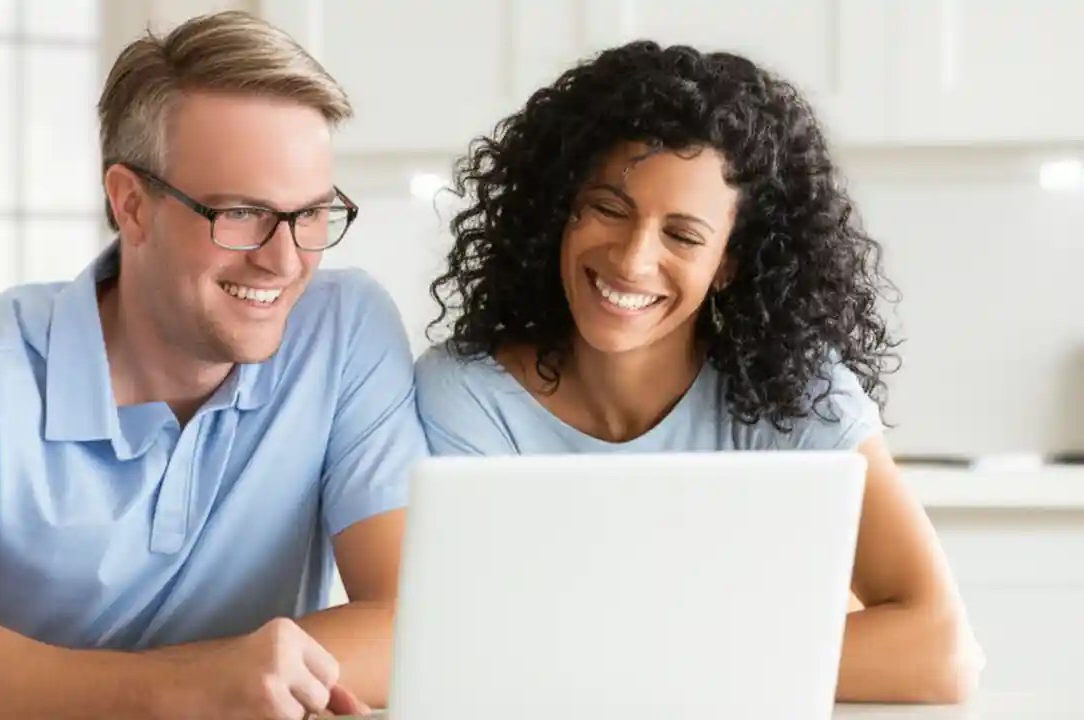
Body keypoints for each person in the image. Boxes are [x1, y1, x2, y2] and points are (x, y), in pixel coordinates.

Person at [0, 11, 424, 720]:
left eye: (312, 214)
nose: (285, 261)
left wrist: (221, 681)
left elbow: (412, 621)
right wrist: (184, 692)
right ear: (130, 204)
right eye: (239, 215)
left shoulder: (344, 330)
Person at [416, 40, 983, 703]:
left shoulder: (795, 390)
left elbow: (939, 650)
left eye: (682, 236)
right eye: (608, 208)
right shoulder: (467, 396)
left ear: (729, 263)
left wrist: (618, 656)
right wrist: (747, 650)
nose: (632, 261)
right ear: (560, 211)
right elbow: (480, 651)